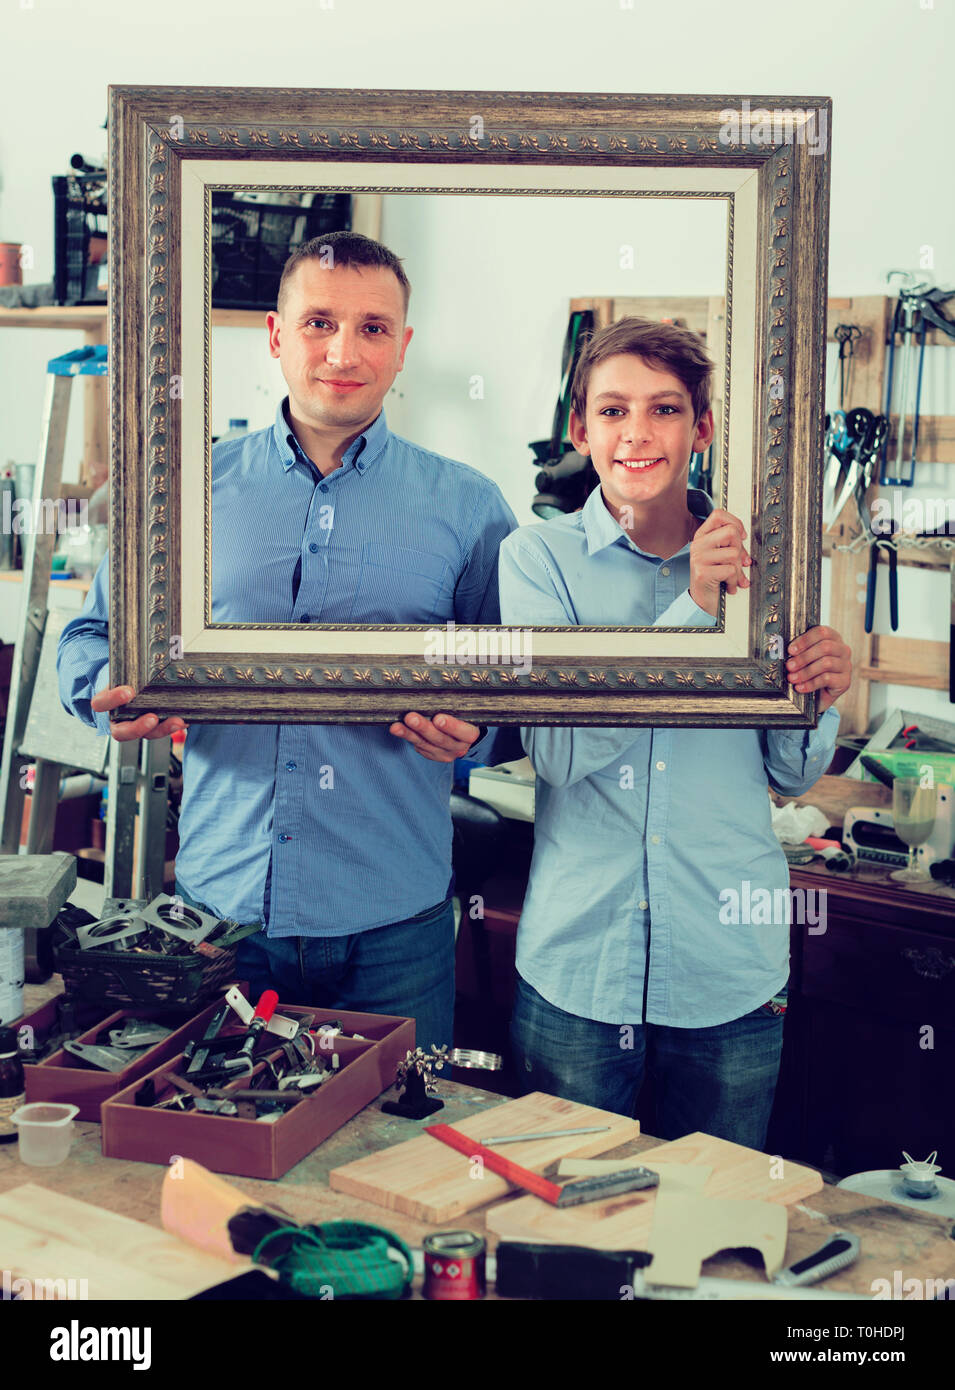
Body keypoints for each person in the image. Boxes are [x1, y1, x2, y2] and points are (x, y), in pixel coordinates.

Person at [57, 232, 518, 1050]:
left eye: (373, 328)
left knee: (393, 1157)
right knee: (216, 1147)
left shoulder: (470, 508)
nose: (344, 350)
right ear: (276, 335)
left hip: (394, 926)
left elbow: (512, 689)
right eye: (318, 323)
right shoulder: (183, 493)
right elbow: (92, 636)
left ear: (403, 347)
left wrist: (480, 731)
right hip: (218, 918)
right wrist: (106, 693)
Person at [498, 316, 852, 1148]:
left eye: (663, 410)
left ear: (700, 430)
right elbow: (558, 754)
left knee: (715, 1232)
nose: (636, 434)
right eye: (613, 411)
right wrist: (694, 610)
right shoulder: (537, 559)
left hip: (727, 969)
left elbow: (794, 774)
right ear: (580, 428)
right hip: (577, 969)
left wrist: (822, 692)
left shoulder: (766, 561)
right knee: (567, 1236)